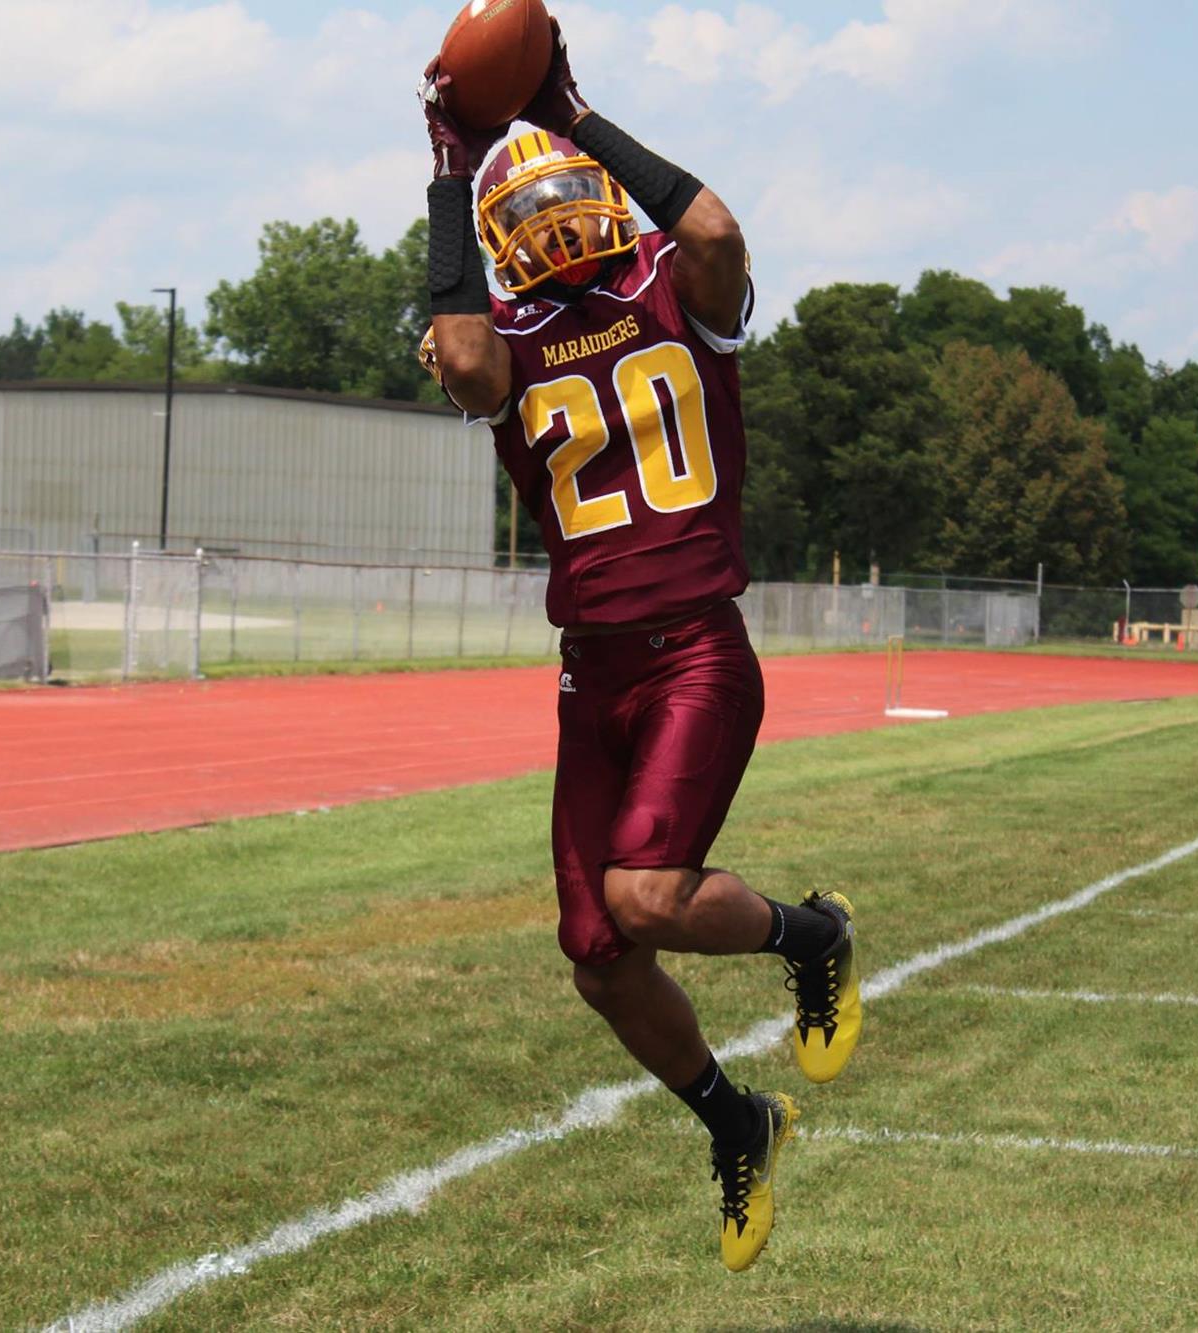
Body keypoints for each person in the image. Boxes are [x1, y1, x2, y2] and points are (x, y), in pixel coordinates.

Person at [416, 22, 861, 1272]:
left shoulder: (683, 294)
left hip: (692, 654)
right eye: (536, 199)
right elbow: (457, 356)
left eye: (570, 185)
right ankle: (736, 1120)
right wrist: (452, 174)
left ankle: (808, 936)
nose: (557, 213)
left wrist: (569, 111)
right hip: (591, 674)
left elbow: (714, 231)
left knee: (645, 898)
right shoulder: (501, 341)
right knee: (599, 958)